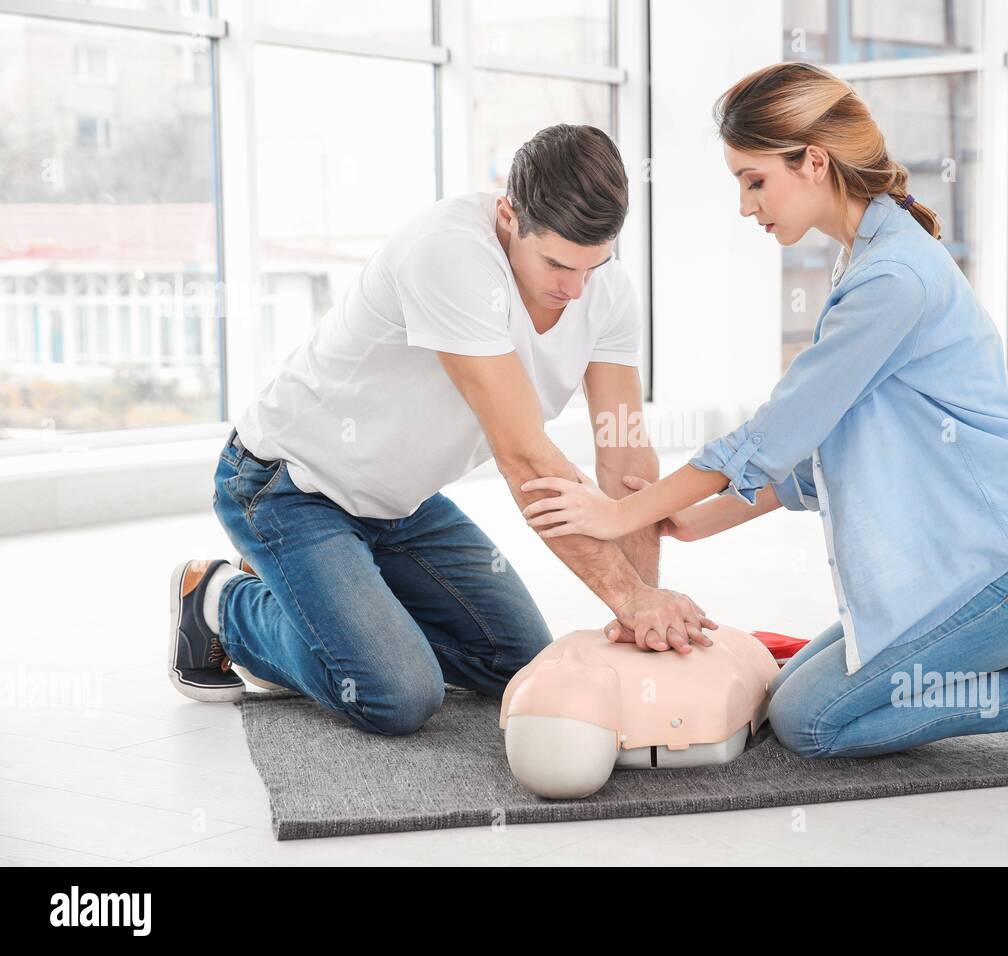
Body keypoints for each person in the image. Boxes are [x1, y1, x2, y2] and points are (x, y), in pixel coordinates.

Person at [517, 64, 1008, 760]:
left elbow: (773, 435)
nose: (748, 206)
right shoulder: (866, 260)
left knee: (815, 724)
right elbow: (818, 459)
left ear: (813, 161)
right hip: (973, 570)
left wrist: (620, 515)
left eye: (754, 180)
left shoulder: (892, 279)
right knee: (791, 698)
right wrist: (689, 523)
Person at [167, 124, 717, 735]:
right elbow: (525, 457)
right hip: (288, 487)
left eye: (595, 265)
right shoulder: (450, 255)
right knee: (397, 694)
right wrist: (629, 601)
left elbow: (624, 460)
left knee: (519, 664)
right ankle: (223, 601)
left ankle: (342, 602)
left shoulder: (603, 290)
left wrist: (646, 610)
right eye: (558, 264)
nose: (575, 289)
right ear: (509, 214)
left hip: (401, 504)